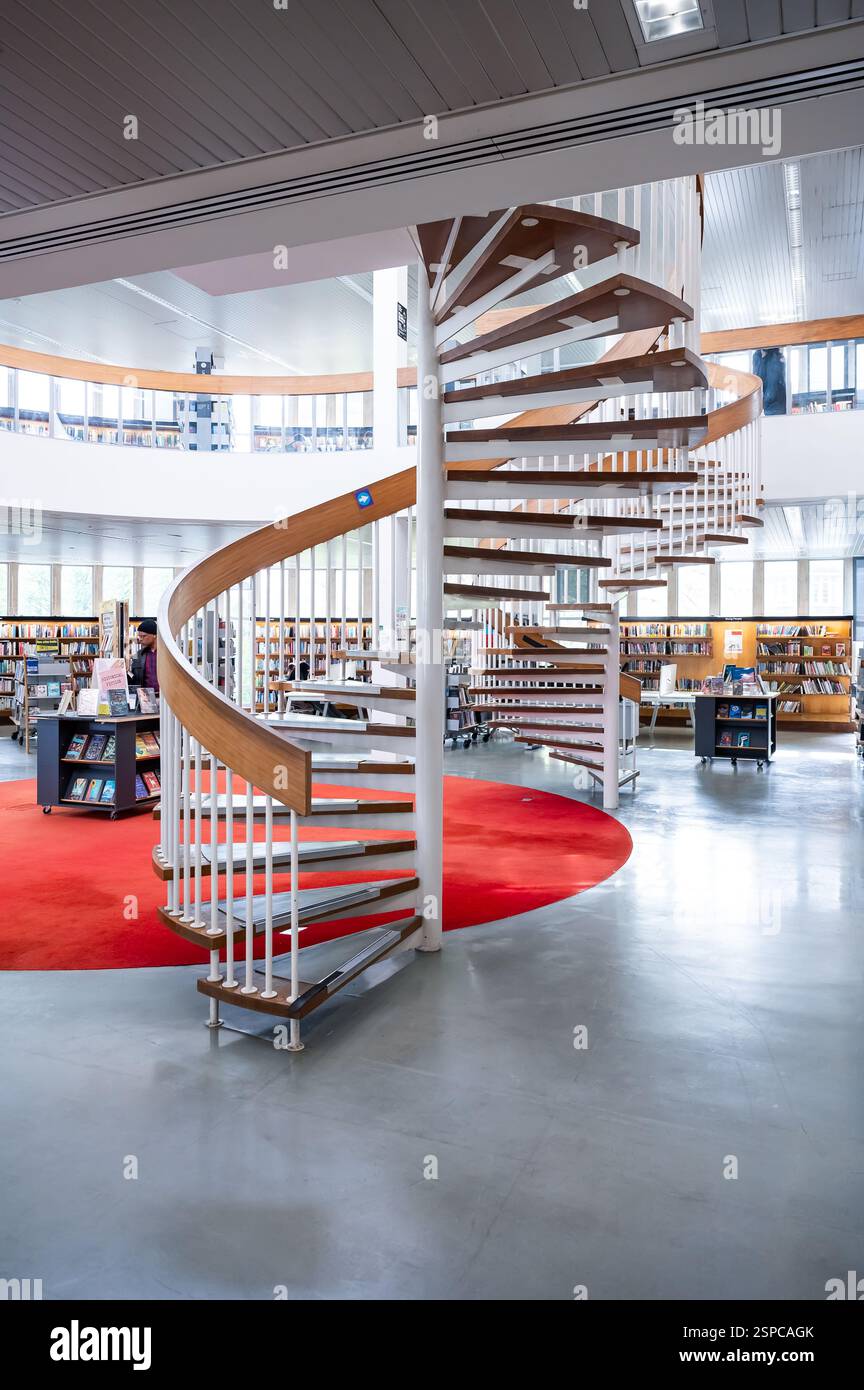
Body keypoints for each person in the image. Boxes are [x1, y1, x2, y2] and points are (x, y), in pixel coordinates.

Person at [130, 618, 159, 694]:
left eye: (143, 636)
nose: (140, 639)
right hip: (146, 698)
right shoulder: (138, 655)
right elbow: (133, 677)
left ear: (154, 635)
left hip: (165, 698)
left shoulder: (165, 654)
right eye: (139, 636)